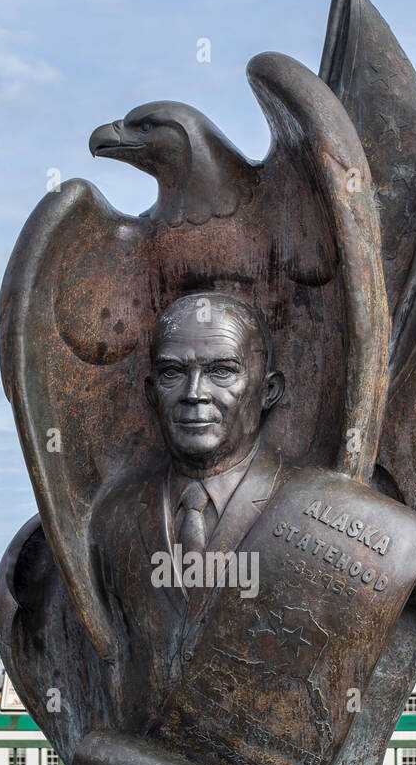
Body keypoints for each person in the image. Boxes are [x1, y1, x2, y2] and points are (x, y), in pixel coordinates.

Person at [90, 291, 287, 721]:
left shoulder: (317, 511)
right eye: (173, 373)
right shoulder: (110, 520)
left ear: (268, 390)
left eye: (221, 371)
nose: (194, 393)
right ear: (150, 391)